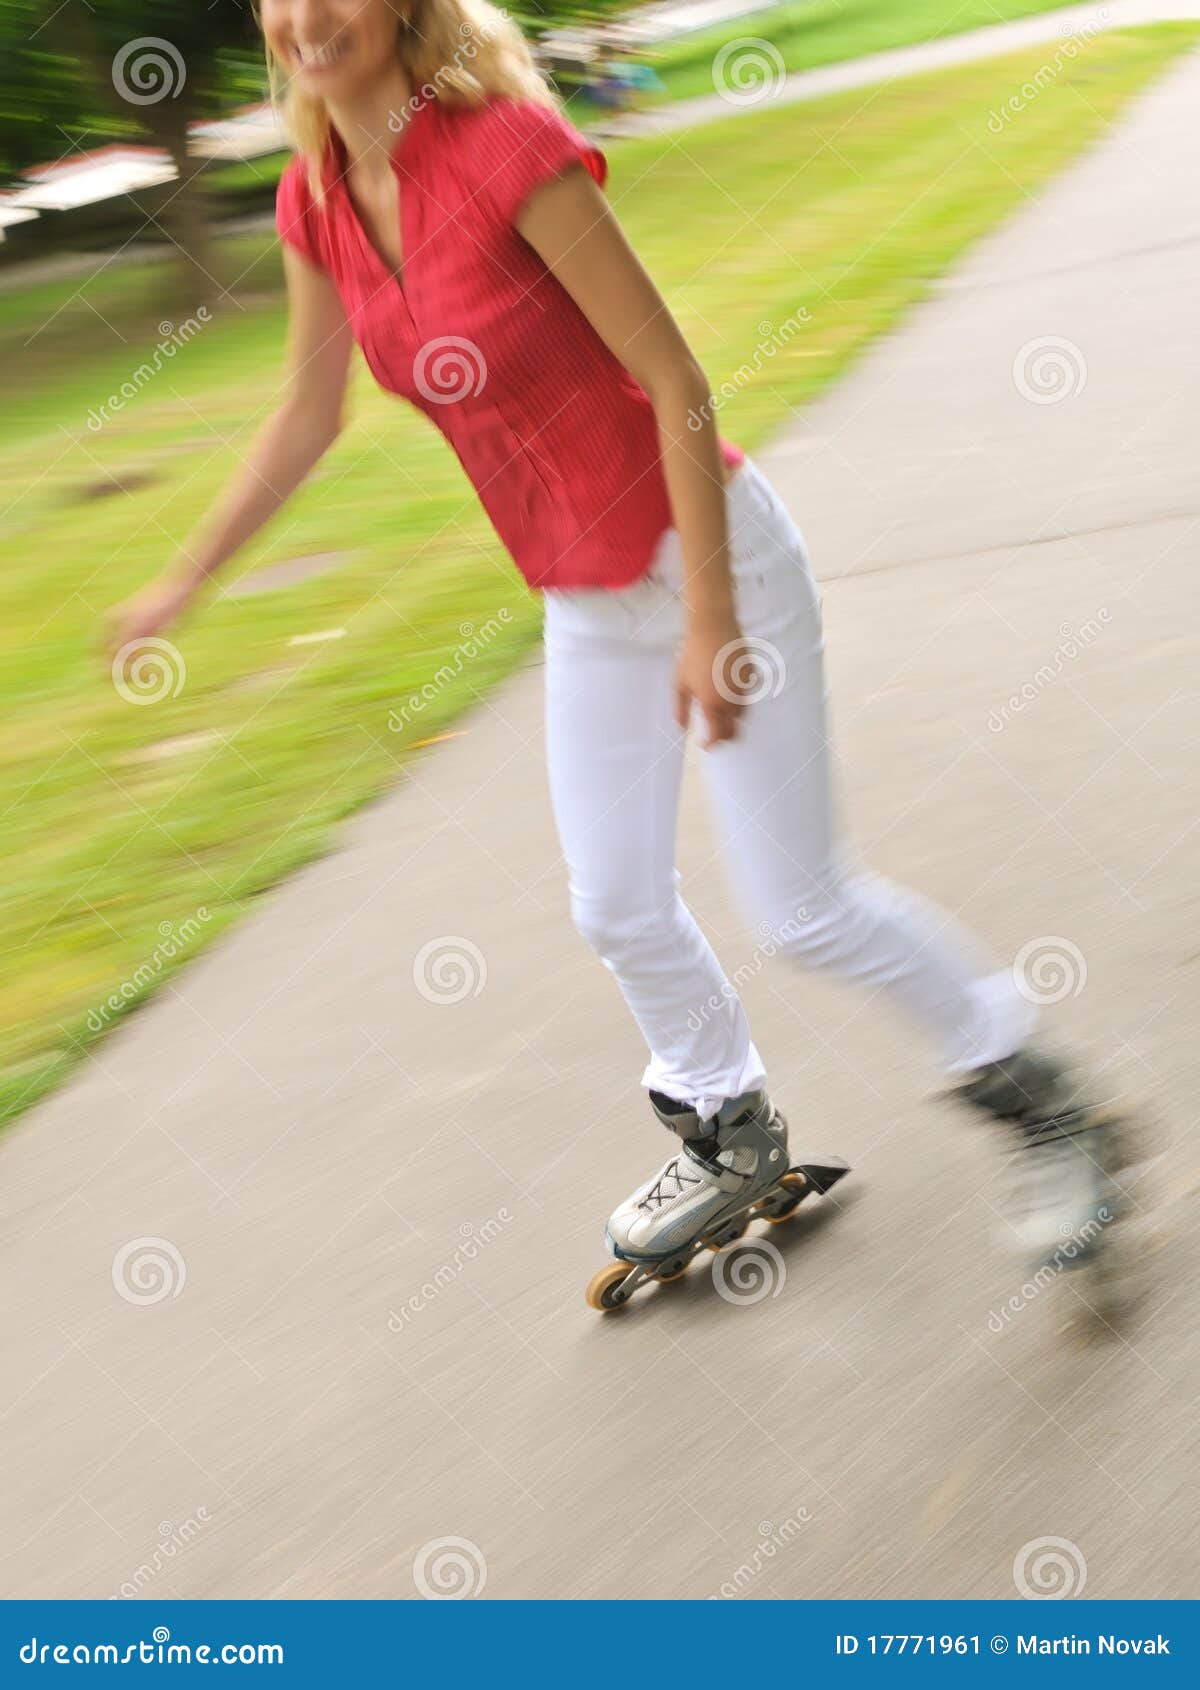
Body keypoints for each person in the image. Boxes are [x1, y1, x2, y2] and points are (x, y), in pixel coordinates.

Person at [106, 0, 1131, 1309]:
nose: (309, 15)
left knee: (803, 908)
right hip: (586, 596)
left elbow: (674, 376)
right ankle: (728, 1121)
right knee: (615, 901)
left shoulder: (504, 148)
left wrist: (711, 615)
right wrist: (179, 585)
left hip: (715, 557)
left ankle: (1050, 1105)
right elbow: (308, 411)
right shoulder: (318, 198)